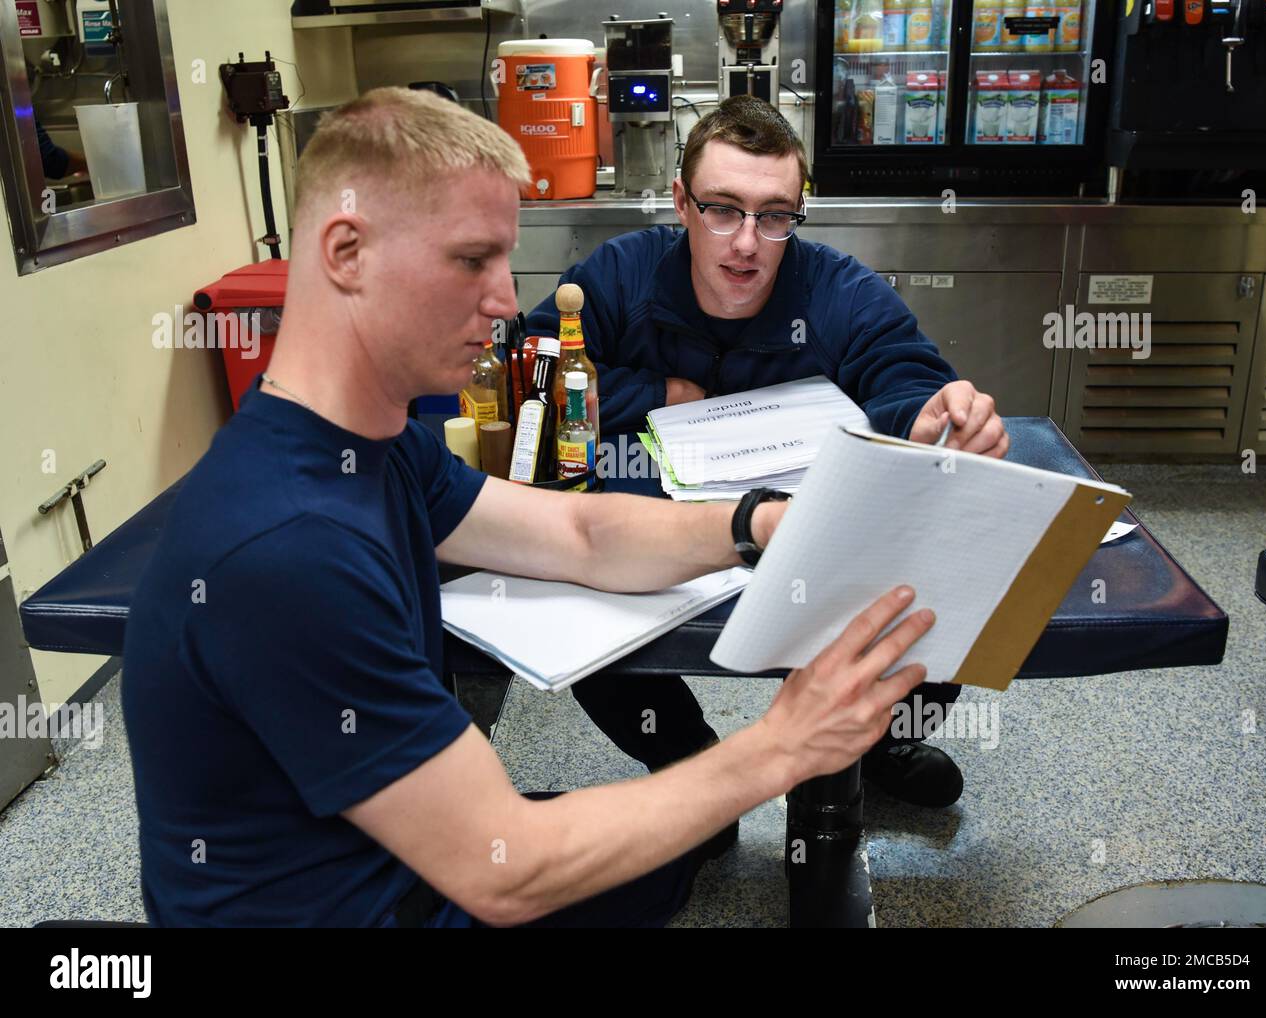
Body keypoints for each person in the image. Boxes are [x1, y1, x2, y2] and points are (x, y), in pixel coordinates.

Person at [120, 87, 934, 927]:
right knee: (623, 850)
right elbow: (501, 869)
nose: (509, 302)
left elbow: (578, 533)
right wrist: (784, 745)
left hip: (398, 859)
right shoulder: (286, 547)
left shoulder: (371, 443)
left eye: (506, 261)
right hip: (377, 905)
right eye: (473, 259)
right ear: (347, 252)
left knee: (657, 865)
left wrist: (753, 524)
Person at [527, 94, 1008, 812]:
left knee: (942, 573)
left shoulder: (838, 288)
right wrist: (661, 391)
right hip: (650, 536)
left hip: (809, 537)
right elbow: (534, 364)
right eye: (723, 209)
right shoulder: (621, 275)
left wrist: (931, 418)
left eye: (774, 215)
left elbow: (902, 370)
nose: (747, 241)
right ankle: (687, 762)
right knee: (561, 584)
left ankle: (866, 752)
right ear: (682, 204)